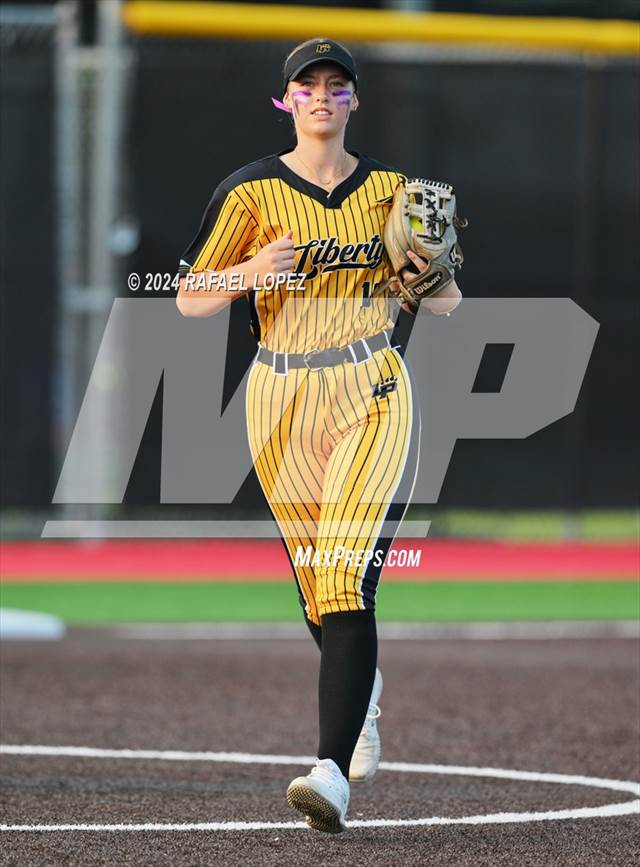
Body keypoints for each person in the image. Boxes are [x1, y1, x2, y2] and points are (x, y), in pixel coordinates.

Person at [176, 37, 461, 834]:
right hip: (280, 392)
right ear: (287, 100)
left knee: (343, 577)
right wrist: (247, 273)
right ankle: (361, 692)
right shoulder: (250, 193)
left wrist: (425, 274)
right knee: (316, 586)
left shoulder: (401, 193)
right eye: (309, 85)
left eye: (338, 84)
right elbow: (189, 299)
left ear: (355, 100)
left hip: (371, 383)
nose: (324, 95)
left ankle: (330, 772)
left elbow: (447, 304)